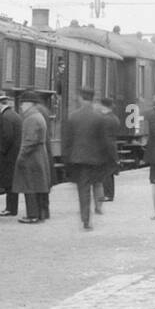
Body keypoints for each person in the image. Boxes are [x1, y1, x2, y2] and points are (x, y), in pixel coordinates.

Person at [61, 86, 116, 230]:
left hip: (79, 160)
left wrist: (66, 160)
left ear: (81, 97)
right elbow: (105, 141)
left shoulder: (73, 116)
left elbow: (67, 141)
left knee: (83, 190)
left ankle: (86, 220)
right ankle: (99, 207)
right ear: (93, 98)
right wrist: (111, 159)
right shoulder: (100, 117)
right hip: (97, 160)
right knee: (97, 184)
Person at [13, 92, 50, 223]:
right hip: (38, 156)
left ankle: (32, 215)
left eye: (23, 103)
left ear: (29, 103)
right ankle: (41, 214)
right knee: (38, 186)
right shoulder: (38, 116)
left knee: (30, 187)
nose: (21, 106)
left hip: (31, 158)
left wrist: (21, 157)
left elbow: (29, 141)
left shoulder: (31, 118)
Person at [0, 92, 22, 217]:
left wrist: (1, 152)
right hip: (15, 154)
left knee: (9, 184)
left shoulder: (5, 117)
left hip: (9, 156)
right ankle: (12, 208)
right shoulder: (14, 115)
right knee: (12, 183)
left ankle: (10, 209)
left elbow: (7, 137)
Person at [98, 96, 122, 202]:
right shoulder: (113, 118)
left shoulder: (106, 119)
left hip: (105, 149)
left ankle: (108, 195)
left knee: (106, 173)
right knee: (109, 173)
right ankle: (109, 194)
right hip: (110, 148)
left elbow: (107, 139)